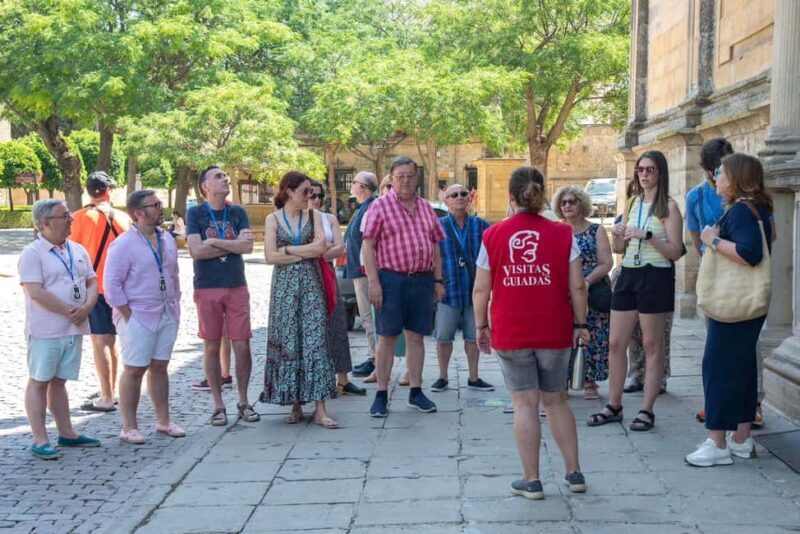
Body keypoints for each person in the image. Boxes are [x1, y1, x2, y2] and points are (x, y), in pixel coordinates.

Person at [473, 166, 589, 499]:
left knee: (524, 404)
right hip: (554, 329)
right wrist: (580, 324)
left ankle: (532, 480)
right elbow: (578, 286)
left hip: (512, 330)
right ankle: (574, 473)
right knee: (556, 401)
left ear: (511, 196)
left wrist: (481, 325)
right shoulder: (563, 233)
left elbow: (481, 289)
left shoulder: (493, 235)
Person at [685, 153, 773, 466]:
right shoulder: (757, 208)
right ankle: (741, 437)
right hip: (747, 303)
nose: (716, 178)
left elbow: (749, 253)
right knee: (742, 369)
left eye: (721, 173)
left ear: (735, 178)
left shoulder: (740, 211)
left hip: (733, 303)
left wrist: (711, 239)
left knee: (718, 369)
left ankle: (717, 441)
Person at [589, 151, 684, 432]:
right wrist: (618, 234)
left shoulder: (669, 207)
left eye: (650, 169)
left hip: (656, 275)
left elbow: (675, 252)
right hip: (629, 273)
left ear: (660, 173)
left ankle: (647, 410)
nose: (643, 174)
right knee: (616, 343)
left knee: (652, 344)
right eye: (640, 170)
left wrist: (648, 236)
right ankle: (614, 404)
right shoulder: (632, 202)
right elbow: (619, 249)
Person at [362, 156, 445, 417]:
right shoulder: (380, 206)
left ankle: (416, 391)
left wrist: (438, 280)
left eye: (410, 175)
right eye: (400, 176)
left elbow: (435, 246)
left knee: (416, 337)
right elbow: (368, 246)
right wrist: (374, 283)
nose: (406, 181)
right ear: (391, 178)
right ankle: (381, 394)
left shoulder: (426, 207)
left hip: (421, 280)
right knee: (387, 337)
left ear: (416, 178)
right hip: (391, 280)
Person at [19, 199, 101, 459]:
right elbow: (35, 291)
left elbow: (91, 281)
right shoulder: (33, 253)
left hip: (73, 328)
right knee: (39, 381)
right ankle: (40, 438)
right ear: (46, 223)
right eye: (64, 216)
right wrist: (69, 311)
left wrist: (87, 307)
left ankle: (67, 433)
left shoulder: (77, 249)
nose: (70, 220)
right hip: (46, 330)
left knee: (59, 381)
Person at [104, 190, 185, 444]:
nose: (161, 208)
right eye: (155, 205)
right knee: (134, 369)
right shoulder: (123, 245)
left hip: (166, 311)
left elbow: (173, 274)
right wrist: (127, 314)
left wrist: (176, 302)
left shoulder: (166, 238)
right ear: (138, 213)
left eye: (160, 203)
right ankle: (129, 426)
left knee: (160, 367)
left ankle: (164, 421)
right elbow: (111, 285)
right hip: (138, 315)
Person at [263, 171, 339, 428]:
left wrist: (288, 250)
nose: (310, 196)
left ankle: (320, 408)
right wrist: (303, 253)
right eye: (305, 191)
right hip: (284, 290)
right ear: (288, 191)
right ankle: (295, 403)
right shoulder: (273, 219)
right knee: (290, 341)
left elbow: (320, 248)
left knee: (316, 342)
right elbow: (270, 256)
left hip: (311, 286)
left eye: (311, 192)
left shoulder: (314, 216)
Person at [186, 166, 259, 426]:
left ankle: (243, 401)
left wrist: (214, 242)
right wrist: (232, 246)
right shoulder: (195, 213)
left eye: (225, 175)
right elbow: (196, 251)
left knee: (242, 345)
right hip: (207, 286)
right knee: (211, 345)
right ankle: (218, 405)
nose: (225, 179)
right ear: (204, 186)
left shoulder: (237, 212)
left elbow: (247, 247)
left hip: (236, 285)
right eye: (218, 176)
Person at [71, 171, 131, 412]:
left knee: (100, 341)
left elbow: (72, 254)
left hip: (96, 287)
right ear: (109, 191)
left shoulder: (79, 218)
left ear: (89, 192)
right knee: (114, 340)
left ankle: (106, 396)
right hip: (123, 287)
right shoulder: (124, 218)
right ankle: (112, 390)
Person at [431, 184, 493, 393]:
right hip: (448, 289)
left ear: (469, 198)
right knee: (443, 336)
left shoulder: (481, 225)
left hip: (475, 290)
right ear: (446, 201)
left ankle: (474, 377)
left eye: (463, 194)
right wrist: (436, 282)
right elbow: (432, 257)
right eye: (454, 195)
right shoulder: (438, 226)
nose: (459, 197)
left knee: (473, 336)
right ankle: (442, 377)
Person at [553, 185, 612, 399]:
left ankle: (589, 380)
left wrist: (586, 281)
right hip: (563, 292)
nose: (567, 205)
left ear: (582, 204)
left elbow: (606, 263)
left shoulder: (596, 230)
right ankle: (563, 380)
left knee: (593, 335)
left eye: (572, 201)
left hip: (592, 290)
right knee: (562, 335)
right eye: (563, 202)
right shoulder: (556, 230)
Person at [308, 180, 365, 396]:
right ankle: (315, 380)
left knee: (337, 324)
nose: (316, 200)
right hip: (307, 277)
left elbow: (340, 247)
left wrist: (316, 252)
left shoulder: (328, 218)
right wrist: (320, 250)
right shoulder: (297, 220)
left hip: (328, 275)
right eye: (312, 195)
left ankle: (343, 379)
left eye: (320, 196)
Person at [346, 171, 379, 379]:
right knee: (367, 316)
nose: (352, 185)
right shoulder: (362, 208)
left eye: (354, 182)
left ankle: (375, 359)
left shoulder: (370, 208)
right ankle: (372, 356)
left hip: (365, 270)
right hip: (358, 270)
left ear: (363, 187)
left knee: (368, 316)